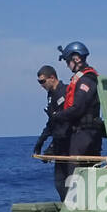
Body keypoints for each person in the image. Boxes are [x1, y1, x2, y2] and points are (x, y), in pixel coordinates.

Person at [55, 41, 105, 190]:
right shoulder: (87, 78)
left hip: (85, 134)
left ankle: (75, 206)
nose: (67, 65)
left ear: (76, 59)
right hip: (87, 133)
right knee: (89, 172)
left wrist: (58, 116)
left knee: (75, 174)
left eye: (67, 61)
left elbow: (78, 107)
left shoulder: (86, 80)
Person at [32, 64, 71, 199]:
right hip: (59, 143)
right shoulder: (51, 95)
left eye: (42, 81)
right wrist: (40, 142)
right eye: (39, 82)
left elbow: (66, 123)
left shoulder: (65, 92)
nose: (41, 85)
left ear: (52, 78)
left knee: (70, 183)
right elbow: (52, 122)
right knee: (60, 184)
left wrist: (52, 146)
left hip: (70, 143)